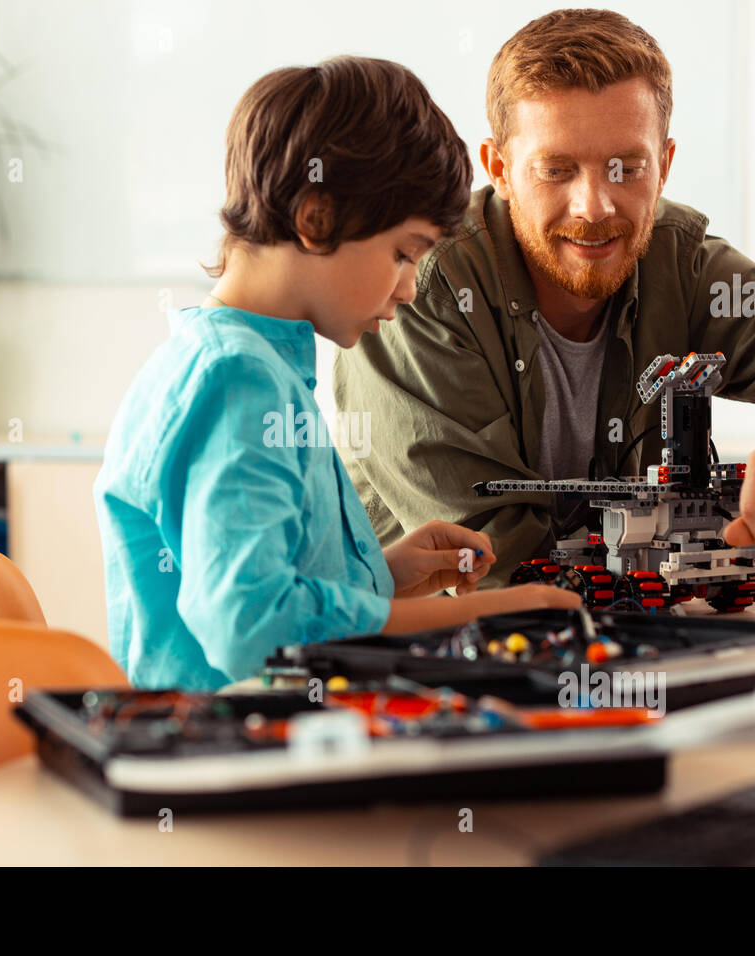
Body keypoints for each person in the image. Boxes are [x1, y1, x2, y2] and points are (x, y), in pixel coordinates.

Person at [334, 9, 755, 586]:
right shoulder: (420, 284)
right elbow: (488, 564)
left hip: (623, 648)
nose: (595, 207)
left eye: (626, 166)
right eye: (556, 169)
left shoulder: (676, 261)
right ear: (498, 167)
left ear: (666, 165)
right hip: (432, 667)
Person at [95, 57, 579, 691]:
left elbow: (269, 575)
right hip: (234, 754)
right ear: (316, 218)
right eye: (403, 253)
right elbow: (253, 627)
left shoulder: (238, 363)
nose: (409, 290)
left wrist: (381, 572)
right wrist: (487, 610)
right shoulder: (238, 381)